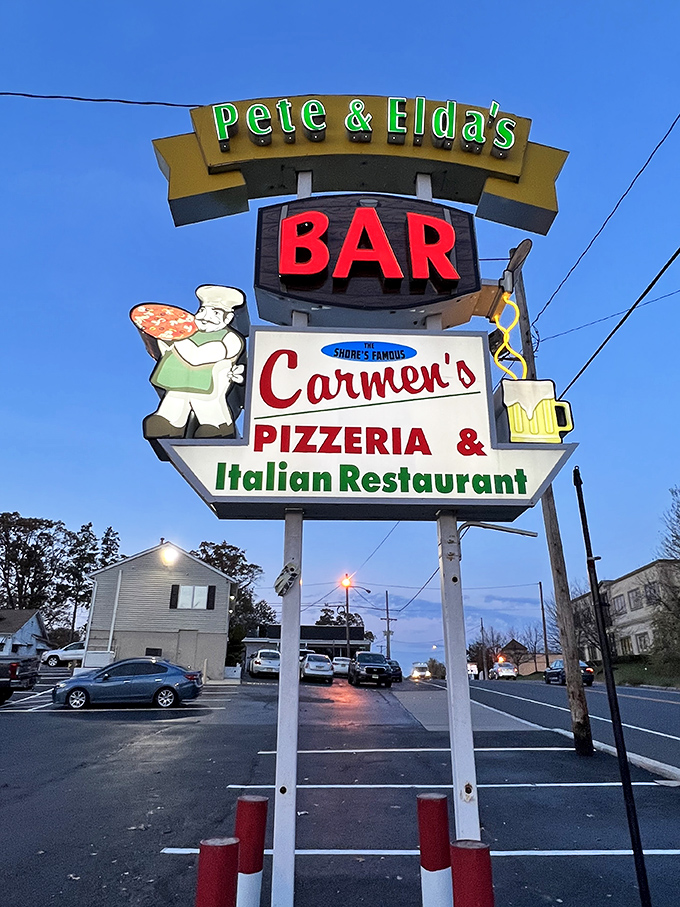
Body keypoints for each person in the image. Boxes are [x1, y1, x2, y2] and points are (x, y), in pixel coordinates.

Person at [143, 285, 246, 439]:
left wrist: (176, 341)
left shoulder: (230, 338)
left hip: (210, 379)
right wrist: (165, 340)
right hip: (179, 377)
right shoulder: (187, 331)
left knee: (206, 403)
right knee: (175, 398)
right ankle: (169, 422)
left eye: (215, 312)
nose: (205, 316)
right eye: (202, 310)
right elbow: (166, 350)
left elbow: (205, 353)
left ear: (228, 318)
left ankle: (217, 426)